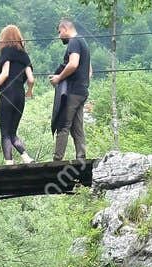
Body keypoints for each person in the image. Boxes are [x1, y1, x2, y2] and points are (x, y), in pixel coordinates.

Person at [0, 25, 34, 164]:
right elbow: (31, 79)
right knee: (13, 133)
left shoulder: (6, 51)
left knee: (5, 133)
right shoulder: (24, 55)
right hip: (20, 96)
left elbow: (5, 74)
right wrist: (29, 91)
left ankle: (9, 163)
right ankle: (26, 158)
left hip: (8, 94)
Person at [49, 17, 90, 164]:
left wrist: (59, 78)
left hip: (72, 91)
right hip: (82, 91)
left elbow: (73, 64)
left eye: (59, 32)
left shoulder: (74, 42)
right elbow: (89, 71)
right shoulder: (83, 42)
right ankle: (81, 158)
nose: (59, 36)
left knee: (63, 124)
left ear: (65, 29)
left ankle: (57, 159)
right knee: (77, 127)